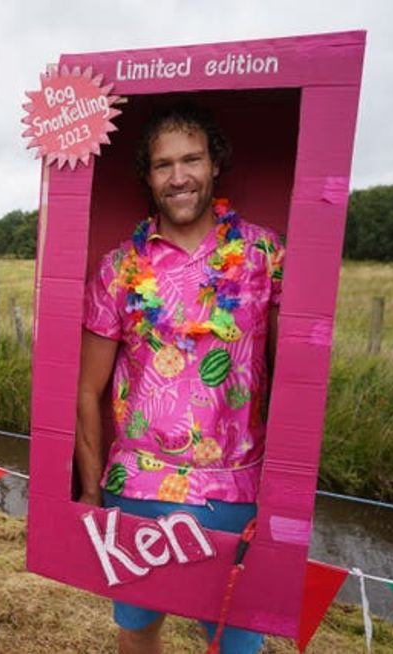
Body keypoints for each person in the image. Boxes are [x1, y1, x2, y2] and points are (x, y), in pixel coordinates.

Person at [75, 104, 284, 654]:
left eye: (191, 159)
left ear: (215, 164)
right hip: (139, 486)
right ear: (147, 176)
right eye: (163, 164)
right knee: (138, 629)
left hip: (237, 486)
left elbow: (293, 379)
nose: (178, 176)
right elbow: (87, 390)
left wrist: (287, 493)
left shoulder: (264, 254)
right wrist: (92, 492)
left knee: (237, 642)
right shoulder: (118, 268)